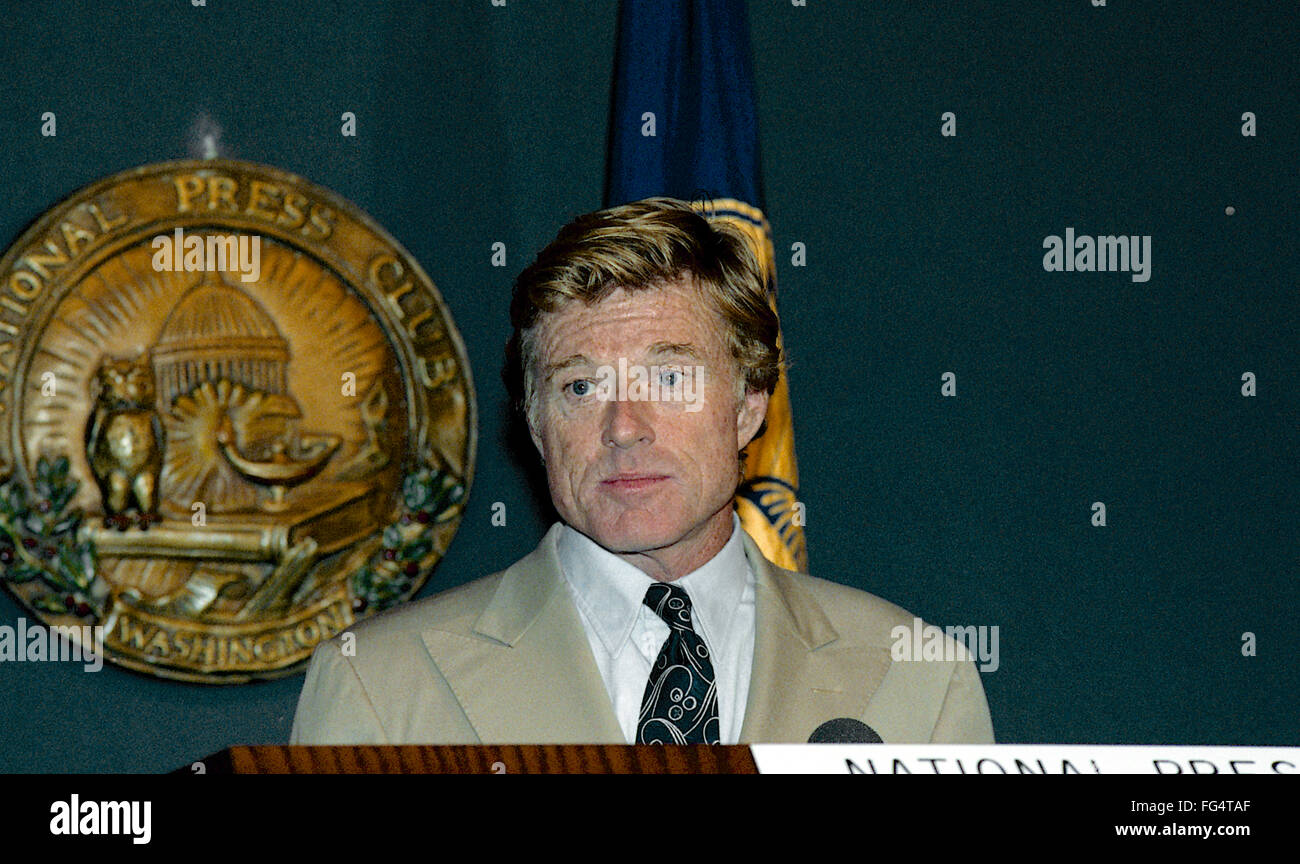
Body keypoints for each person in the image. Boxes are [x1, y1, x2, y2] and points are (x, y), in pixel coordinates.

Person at [290, 197, 994, 745]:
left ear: (749, 405)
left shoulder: (914, 672)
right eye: (579, 387)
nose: (623, 427)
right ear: (535, 422)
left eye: (669, 378)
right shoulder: (380, 684)